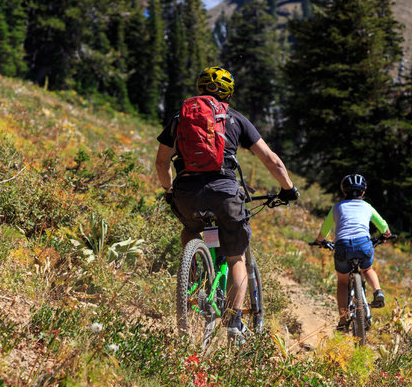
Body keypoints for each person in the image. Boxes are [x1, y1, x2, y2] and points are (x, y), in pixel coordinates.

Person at [155, 66, 299, 341]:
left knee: (190, 228)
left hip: (187, 192)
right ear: (229, 93)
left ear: (199, 89)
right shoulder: (236, 119)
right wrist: (288, 189)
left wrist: (169, 190)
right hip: (224, 192)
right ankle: (234, 321)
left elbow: (162, 162)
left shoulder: (179, 118)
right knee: (236, 256)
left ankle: (195, 276)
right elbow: (272, 160)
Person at [314, 173, 391, 332]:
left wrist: (320, 241)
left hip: (342, 246)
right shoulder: (367, 207)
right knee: (367, 269)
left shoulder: (337, 207)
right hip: (363, 244)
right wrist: (385, 235)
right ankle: (378, 292)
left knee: (342, 282)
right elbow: (384, 227)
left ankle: (343, 321)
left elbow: (325, 231)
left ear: (344, 192)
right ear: (363, 193)